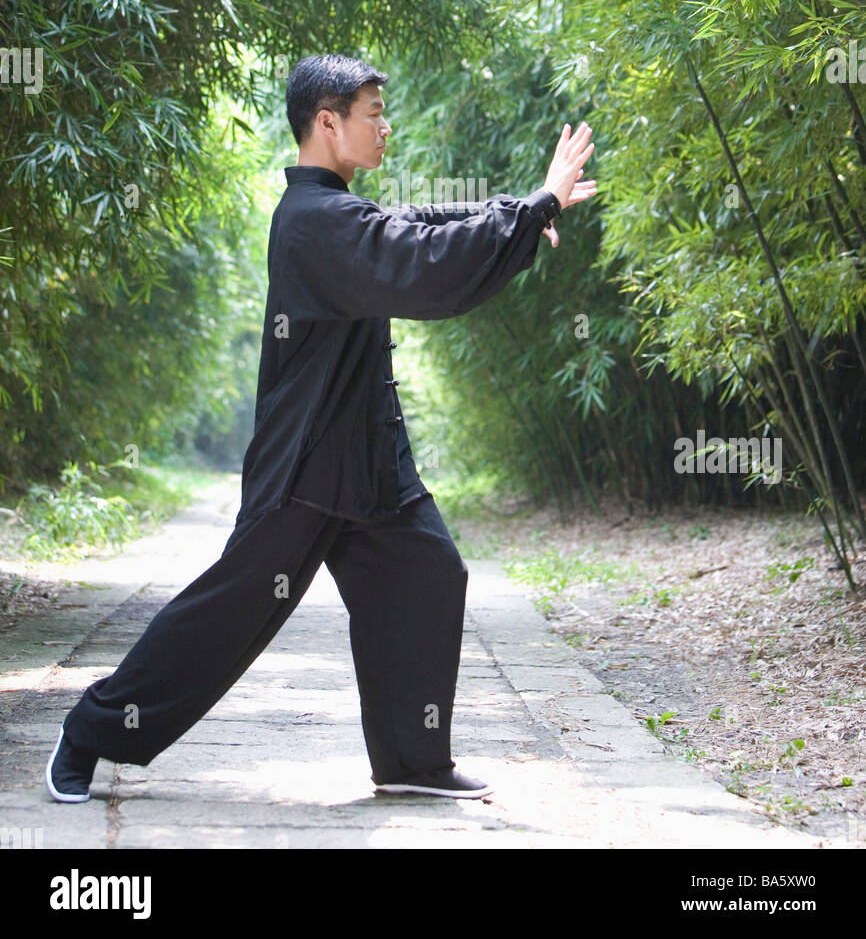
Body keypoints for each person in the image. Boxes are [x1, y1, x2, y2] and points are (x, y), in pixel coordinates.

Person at [46, 53, 596, 804]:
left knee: (428, 572)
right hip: (306, 467)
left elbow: (415, 225)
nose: (385, 127)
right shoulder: (314, 222)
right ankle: (90, 733)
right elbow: (419, 261)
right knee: (233, 611)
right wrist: (533, 211)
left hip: (366, 461)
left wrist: (528, 209)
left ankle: (412, 761)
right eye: (372, 114)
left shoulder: (337, 213)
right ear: (327, 122)